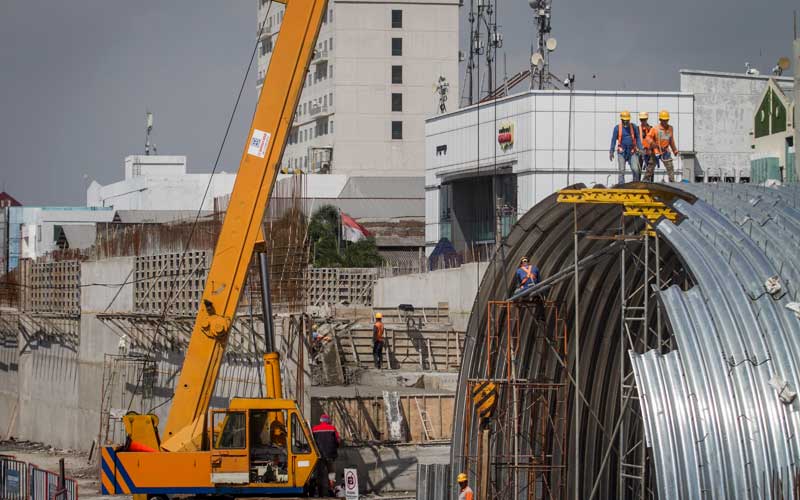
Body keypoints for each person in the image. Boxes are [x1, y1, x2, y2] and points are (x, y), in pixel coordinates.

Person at [645, 110, 680, 182]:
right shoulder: (655, 129)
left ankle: (672, 182)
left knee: (670, 167)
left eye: (666, 120)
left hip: (665, 151)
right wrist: (652, 143)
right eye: (663, 120)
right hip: (656, 150)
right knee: (650, 167)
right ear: (660, 120)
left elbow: (671, 140)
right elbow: (648, 137)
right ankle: (645, 180)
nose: (665, 122)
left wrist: (675, 150)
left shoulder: (670, 128)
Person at [312, 414, 341, 497]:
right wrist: (335, 447)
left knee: (320, 473)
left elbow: (312, 442)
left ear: (320, 420)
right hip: (330, 455)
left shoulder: (314, 429)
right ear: (328, 421)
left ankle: (320, 492)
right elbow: (338, 440)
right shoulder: (332, 428)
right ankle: (331, 490)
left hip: (319, 455)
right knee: (331, 472)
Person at [609, 111, 642, 184]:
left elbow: (638, 138)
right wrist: (611, 152)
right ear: (622, 120)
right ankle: (621, 184)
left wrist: (641, 149)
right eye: (624, 121)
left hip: (632, 151)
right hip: (622, 152)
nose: (626, 122)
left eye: (627, 120)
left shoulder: (633, 127)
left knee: (635, 169)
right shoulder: (617, 128)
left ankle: (635, 184)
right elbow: (613, 140)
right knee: (621, 170)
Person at [638, 112, 654, 180]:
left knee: (650, 169)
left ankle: (651, 182)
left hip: (649, 151)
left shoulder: (651, 129)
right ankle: (637, 182)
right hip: (640, 151)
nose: (643, 121)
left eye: (644, 119)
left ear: (647, 119)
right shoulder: (637, 129)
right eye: (641, 119)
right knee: (638, 168)